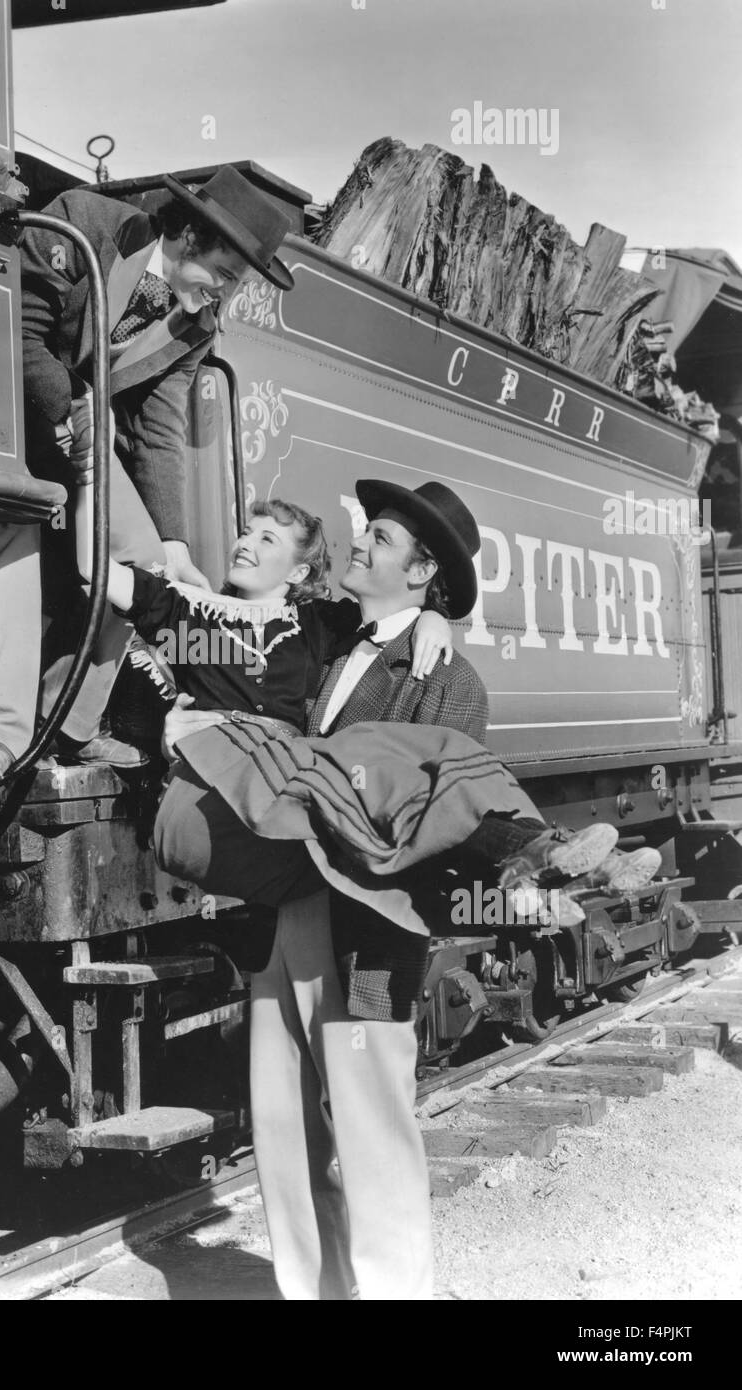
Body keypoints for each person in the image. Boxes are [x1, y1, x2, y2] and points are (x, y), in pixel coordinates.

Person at [155, 478, 658, 1300]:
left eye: (381, 539)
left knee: (367, 1120)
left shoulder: (449, 682)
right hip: (285, 908)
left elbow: (443, 817)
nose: (362, 542)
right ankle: (312, 1289)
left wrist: (433, 625)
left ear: (422, 572)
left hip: (367, 920)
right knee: (283, 1119)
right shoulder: (322, 640)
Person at [0, 165, 298, 780]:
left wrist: (174, 541)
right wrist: (75, 412)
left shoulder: (196, 326)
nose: (224, 294)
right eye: (222, 275)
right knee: (16, 529)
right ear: (188, 237)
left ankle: (65, 727)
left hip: (81, 439)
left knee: (146, 567)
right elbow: (16, 332)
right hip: (3, 414)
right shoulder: (82, 223)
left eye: (234, 285)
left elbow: (160, 431)